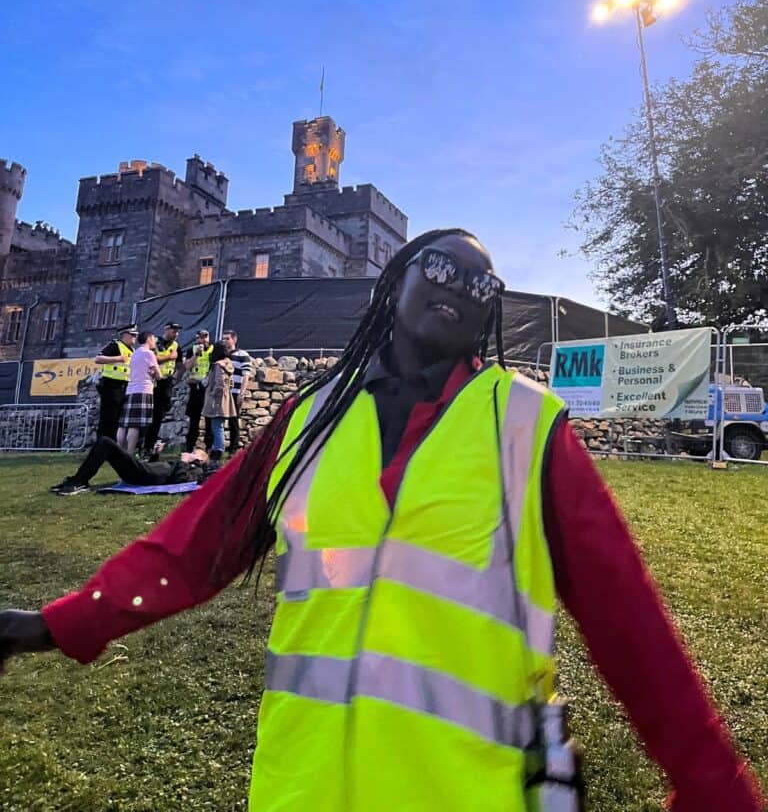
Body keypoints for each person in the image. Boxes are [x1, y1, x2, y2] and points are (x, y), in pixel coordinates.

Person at [0, 229, 762, 812]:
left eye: (482, 281)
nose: (461, 285)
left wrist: (714, 786)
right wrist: (54, 624)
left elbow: (630, 622)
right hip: (301, 787)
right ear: (392, 283)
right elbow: (189, 551)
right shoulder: (308, 421)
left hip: (463, 791)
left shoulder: (529, 429)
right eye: (440, 267)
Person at [49, 438, 212, 495]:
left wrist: (185, 461)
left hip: (144, 475)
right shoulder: (186, 464)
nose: (192, 452)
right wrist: (156, 455)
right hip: (143, 470)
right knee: (105, 444)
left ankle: (79, 481)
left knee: (106, 442)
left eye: (197, 453)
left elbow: (180, 481)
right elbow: (161, 469)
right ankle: (77, 480)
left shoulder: (196, 470)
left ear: (203, 460)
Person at [92, 324, 138, 440]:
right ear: (124, 335)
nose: (135, 338)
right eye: (132, 335)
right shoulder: (115, 345)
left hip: (124, 387)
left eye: (135, 335)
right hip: (111, 386)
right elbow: (98, 359)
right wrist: (117, 358)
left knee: (118, 418)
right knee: (108, 418)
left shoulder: (133, 350)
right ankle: (103, 443)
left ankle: (113, 444)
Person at [117, 331, 160, 455]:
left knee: (124, 424)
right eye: (154, 339)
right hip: (144, 390)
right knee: (134, 425)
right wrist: (154, 373)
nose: (155, 341)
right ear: (149, 339)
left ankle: (120, 452)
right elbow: (159, 375)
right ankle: (129, 454)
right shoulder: (149, 354)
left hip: (131, 389)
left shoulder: (134, 353)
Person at [143, 322, 183, 455]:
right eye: (173, 331)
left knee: (160, 414)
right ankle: (145, 444)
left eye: (177, 332)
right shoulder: (156, 342)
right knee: (150, 414)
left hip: (167, 382)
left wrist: (176, 377)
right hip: (154, 381)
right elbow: (153, 359)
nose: (176, 334)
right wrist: (169, 357)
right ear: (166, 330)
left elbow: (180, 364)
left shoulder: (177, 345)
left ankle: (150, 443)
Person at [201, 341, 236, 466]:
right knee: (219, 425)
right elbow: (230, 383)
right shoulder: (229, 364)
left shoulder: (217, 365)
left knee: (216, 426)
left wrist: (212, 394)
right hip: (226, 397)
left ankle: (218, 450)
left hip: (217, 399)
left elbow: (219, 383)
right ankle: (218, 448)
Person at [221, 327, 252, 454]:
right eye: (223, 339)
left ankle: (234, 446)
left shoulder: (242, 355)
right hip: (223, 391)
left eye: (227, 339)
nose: (225, 341)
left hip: (235, 391)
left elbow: (246, 374)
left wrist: (241, 392)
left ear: (234, 340)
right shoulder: (221, 354)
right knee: (220, 418)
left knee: (233, 419)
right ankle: (220, 445)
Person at [183, 329, 213, 452]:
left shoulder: (214, 349)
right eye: (201, 337)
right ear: (197, 339)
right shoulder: (192, 349)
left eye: (205, 337)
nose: (204, 340)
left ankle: (209, 446)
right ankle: (190, 446)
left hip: (209, 388)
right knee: (194, 419)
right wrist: (197, 354)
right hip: (195, 388)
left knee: (209, 419)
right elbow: (187, 366)